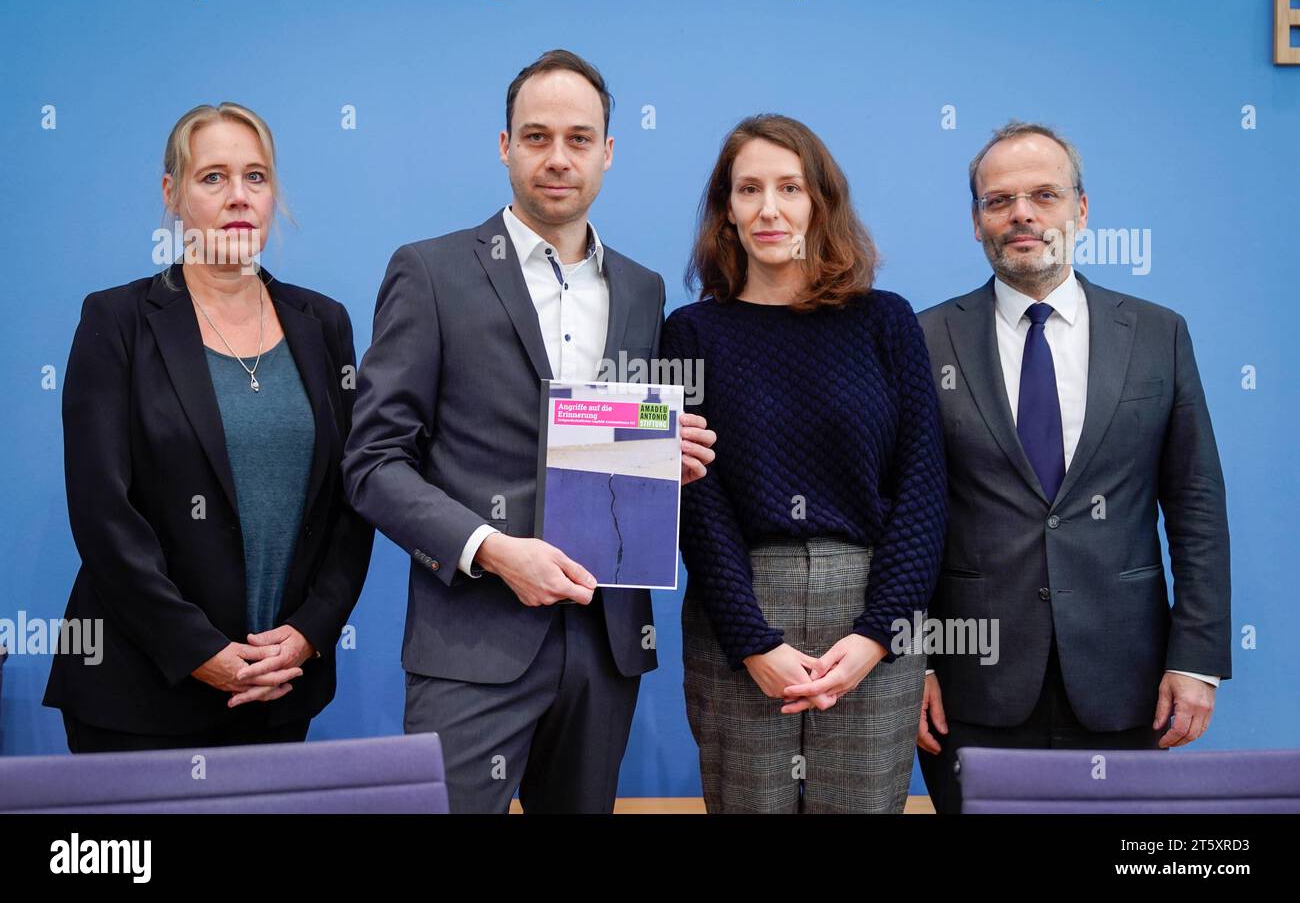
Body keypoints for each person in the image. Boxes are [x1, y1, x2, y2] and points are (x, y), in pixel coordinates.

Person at [341, 50, 716, 814]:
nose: (558, 158)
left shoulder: (644, 291)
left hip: (606, 646)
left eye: (579, 139)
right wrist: (494, 552)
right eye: (536, 136)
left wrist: (656, 467)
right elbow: (374, 464)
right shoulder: (430, 271)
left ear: (608, 153)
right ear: (504, 145)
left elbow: (611, 447)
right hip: (471, 643)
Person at [915, 121, 1231, 813]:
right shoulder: (922, 336)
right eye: (998, 201)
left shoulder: (1158, 333)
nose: (1022, 213)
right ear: (976, 222)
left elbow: (1197, 504)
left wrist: (1196, 658)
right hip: (972, 682)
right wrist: (916, 661)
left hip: (1127, 679)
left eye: (1044, 195)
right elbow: (903, 515)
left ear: (1080, 211)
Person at [44, 102, 374, 752]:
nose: (238, 196)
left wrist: (310, 632)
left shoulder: (323, 324)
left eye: (255, 176)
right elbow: (102, 512)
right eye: (213, 177)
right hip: (140, 692)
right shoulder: (119, 322)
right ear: (173, 194)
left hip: (278, 689)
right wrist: (197, 649)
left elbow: (351, 498)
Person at [660, 114, 947, 813]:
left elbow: (923, 489)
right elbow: (695, 501)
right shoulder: (689, 333)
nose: (769, 208)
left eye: (790, 187)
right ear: (726, 209)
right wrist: (752, 641)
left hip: (873, 614)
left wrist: (879, 634)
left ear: (820, 201)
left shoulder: (886, 321)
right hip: (740, 617)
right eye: (749, 188)